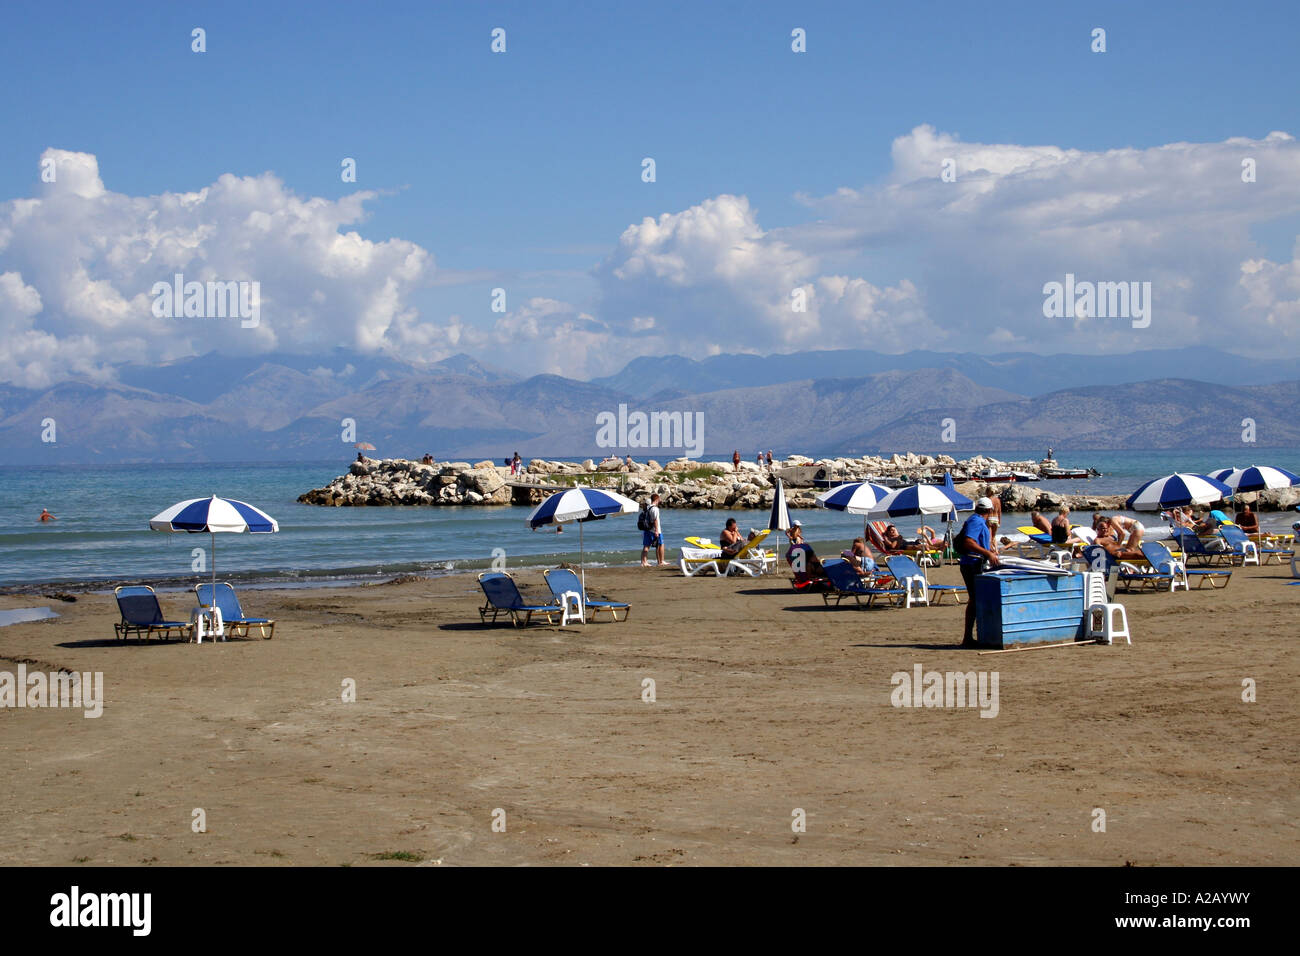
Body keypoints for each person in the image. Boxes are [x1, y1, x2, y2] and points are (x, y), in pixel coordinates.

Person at [957, 497, 1001, 648]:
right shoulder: (976, 521)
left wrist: (989, 549)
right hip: (972, 564)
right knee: (974, 600)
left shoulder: (977, 520)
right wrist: (987, 554)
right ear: (989, 511)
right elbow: (968, 542)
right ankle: (968, 637)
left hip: (972, 562)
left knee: (975, 599)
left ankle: (971, 636)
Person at [639, 493, 666, 567]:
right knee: (660, 544)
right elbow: (655, 520)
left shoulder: (648, 508)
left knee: (646, 546)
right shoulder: (655, 509)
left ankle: (643, 562)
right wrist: (657, 530)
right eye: (659, 499)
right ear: (657, 499)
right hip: (654, 530)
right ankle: (661, 561)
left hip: (647, 529)